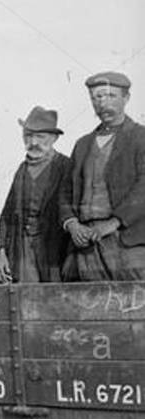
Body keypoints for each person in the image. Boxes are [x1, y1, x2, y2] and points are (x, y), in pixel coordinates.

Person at [60, 73, 145, 282]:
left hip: (127, 244)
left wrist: (114, 222)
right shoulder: (82, 145)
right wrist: (72, 224)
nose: (102, 103)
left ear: (126, 98)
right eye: (96, 98)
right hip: (86, 245)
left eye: (110, 96)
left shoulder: (140, 138)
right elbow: (65, 192)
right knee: (90, 308)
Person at [0, 107, 71, 284]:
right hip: (23, 251)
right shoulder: (22, 170)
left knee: (54, 302)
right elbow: (7, 214)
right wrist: (2, 250)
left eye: (40, 137)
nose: (33, 142)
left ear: (54, 138)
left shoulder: (65, 167)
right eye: (28, 136)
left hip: (54, 251)